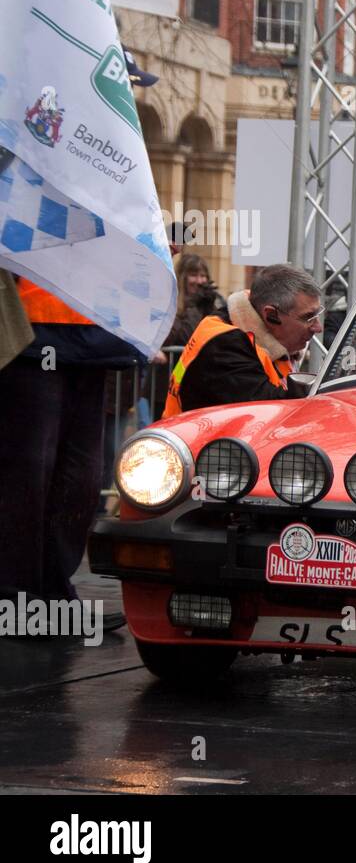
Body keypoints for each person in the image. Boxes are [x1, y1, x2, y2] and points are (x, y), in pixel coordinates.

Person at [0, 279, 139, 631]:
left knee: (81, 475)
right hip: (30, 328)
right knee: (30, 470)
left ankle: (55, 595)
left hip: (92, 331)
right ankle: (15, 596)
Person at [163, 264, 323, 417]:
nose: (318, 328)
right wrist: (321, 386)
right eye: (308, 317)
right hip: (189, 441)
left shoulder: (248, 321)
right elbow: (270, 409)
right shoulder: (224, 345)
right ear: (271, 315)